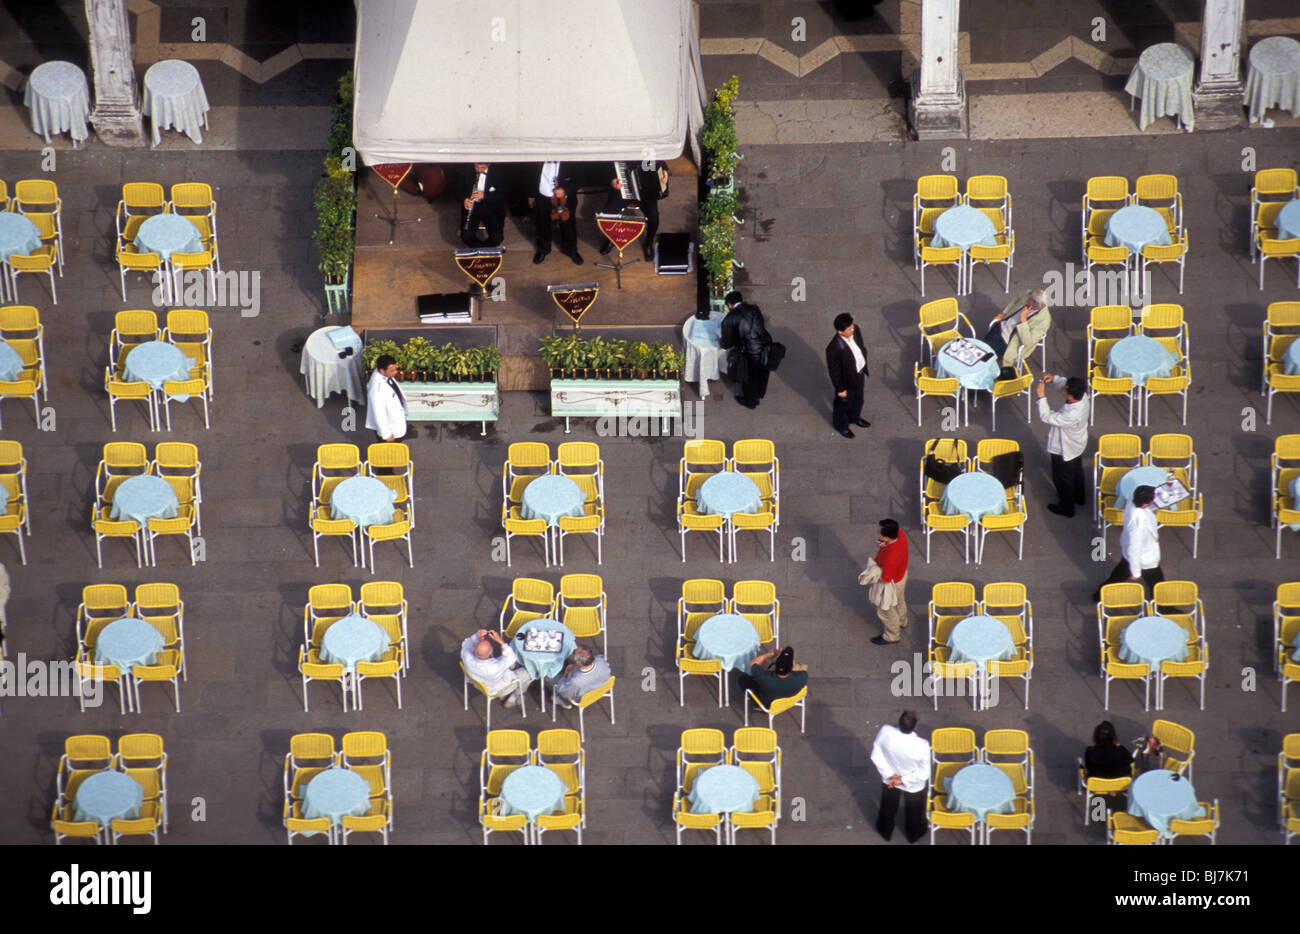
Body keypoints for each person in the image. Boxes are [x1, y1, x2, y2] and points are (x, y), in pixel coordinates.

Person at [1094, 485, 1164, 600]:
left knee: (1118, 576)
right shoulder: (1138, 525)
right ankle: (1163, 607)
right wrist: (1136, 572)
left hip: (1131, 553)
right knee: (1157, 584)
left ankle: (1100, 594)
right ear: (1145, 504)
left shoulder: (1132, 501)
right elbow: (1134, 549)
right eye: (1154, 497)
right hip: (1145, 558)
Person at [870, 710, 930, 843]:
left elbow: (876, 755)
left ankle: (885, 831)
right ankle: (914, 834)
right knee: (915, 810)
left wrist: (892, 776)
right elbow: (923, 773)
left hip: (890, 779)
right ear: (915, 726)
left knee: (888, 805)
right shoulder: (922, 745)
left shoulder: (885, 732)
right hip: (913, 784)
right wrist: (902, 780)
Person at [1036, 374, 1091, 517]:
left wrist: (1041, 397)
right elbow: (1067, 384)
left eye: (1065, 390)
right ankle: (1079, 497)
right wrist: (1054, 379)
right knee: (1077, 471)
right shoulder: (1082, 396)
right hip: (1077, 444)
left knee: (1062, 479)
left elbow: (1047, 417)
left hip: (1064, 448)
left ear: (1071, 395)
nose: (1063, 390)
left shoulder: (1072, 415)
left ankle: (1066, 508)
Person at [717, 290, 772, 409]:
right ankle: (759, 393)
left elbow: (727, 343)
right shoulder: (754, 309)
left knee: (750, 378)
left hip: (750, 352)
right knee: (761, 373)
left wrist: (721, 341)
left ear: (729, 305)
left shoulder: (730, 318)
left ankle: (751, 401)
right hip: (765, 346)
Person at [599, 161, 663, 262]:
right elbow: (605, 163)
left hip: (645, 190)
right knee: (608, 214)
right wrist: (611, 179)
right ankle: (611, 238)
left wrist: (665, 172)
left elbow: (661, 159)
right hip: (621, 186)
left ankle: (649, 243)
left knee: (654, 217)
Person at [460, 629, 533, 708]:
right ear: (491, 653)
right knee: (531, 671)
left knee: (508, 661)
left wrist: (477, 635)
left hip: (480, 681)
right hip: (497, 688)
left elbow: (467, 643)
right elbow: (512, 657)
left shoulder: (466, 656)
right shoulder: (494, 667)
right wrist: (500, 640)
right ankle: (514, 697)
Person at [825, 312, 871, 438]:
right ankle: (841, 425)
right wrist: (840, 389)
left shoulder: (856, 331)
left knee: (858, 399)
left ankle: (854, 417)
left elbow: (861, 347)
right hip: (846, 381)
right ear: (840, 332)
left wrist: (864, 363)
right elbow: (834, 371)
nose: (853, 329)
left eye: (852, 326)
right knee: (843, 405)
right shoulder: (833, 348)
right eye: (849, 328)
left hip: (859, 373)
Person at [529, 161, 582, 265]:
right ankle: (543, 249)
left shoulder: (572, 157)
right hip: (543, 197)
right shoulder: (538, 156)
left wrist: (565, 190)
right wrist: (531, 195)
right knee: (542, 225)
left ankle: (571, 250)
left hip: (564, 200)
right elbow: (531, 175)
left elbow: (580, 179)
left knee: (568, 226)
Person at [983, 288, 1051, 369]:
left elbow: (1028, 342)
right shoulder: (1028, 293)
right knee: (980, 350)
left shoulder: (1044, 320)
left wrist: (1023, 320)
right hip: (1000, 327)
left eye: (1028, 302)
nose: (1025, 302)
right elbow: (1016, 299)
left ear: (1036, 307)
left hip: (1009, 343)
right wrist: (1004, 313)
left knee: (985, 360)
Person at [866, 519, 909, 646]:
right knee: (899, 601)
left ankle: (892, 635)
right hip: (901, 576)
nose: (877, 534)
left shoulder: (891, 557)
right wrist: (882, 544)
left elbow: (885, 577)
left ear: (886, 537)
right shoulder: (901, 534)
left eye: (879, 533)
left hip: (891, 583)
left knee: (886, 610)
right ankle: (902, 621)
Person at [1080, 720, 1134, 810]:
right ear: (1113, 736)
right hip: (1120, 784)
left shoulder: (1090, 751)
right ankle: (1115, 793)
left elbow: (1088, 767)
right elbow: (1130, 761)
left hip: (1097, 785)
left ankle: (1098, 814)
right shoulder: (1121, 751)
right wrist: (1118, 746)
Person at [738, 646, 807, 707]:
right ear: (791, 667)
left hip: (767, 704)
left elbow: (752, 663)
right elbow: (802, 670)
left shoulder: (765, 678)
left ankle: (758, 705)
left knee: (743, 679)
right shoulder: (802, 677)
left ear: (776, 665)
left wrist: (769, 655)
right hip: (788, 701)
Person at [460, 162, 507, 247]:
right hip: (473, 206)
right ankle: (479, 249)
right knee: (466, 236)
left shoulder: (499, 172)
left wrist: (485, 195)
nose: (479, 170)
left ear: (489, 164)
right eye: (476, 167)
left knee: (497, 238)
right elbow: (458, 189)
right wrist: (464, 200)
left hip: (491, 207)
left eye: (482, 167)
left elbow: (503, 194)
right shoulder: (465, 170)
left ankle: (485, 249)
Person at [365, 354, 408, 442]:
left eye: (396, 369)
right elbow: (378, 412)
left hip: (394, 421)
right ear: (382, 371)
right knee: (388, 453)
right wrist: (386, 434)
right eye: (392, 370)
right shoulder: (377, 388)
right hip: (390, 429)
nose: (396, 372)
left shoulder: (385, 376)